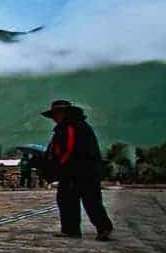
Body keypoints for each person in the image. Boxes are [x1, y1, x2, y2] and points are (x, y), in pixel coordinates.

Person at [43, 100, 114, 241]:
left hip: (77, 171)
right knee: (79, 199)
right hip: (83, 170)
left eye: (56, 114)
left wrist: (60, 167)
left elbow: (69, 150)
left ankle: (91, 228)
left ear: (63, 114)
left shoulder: (71, 127)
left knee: (81, 200)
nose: (54, 119)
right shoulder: (75, 126)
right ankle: (85, 228)